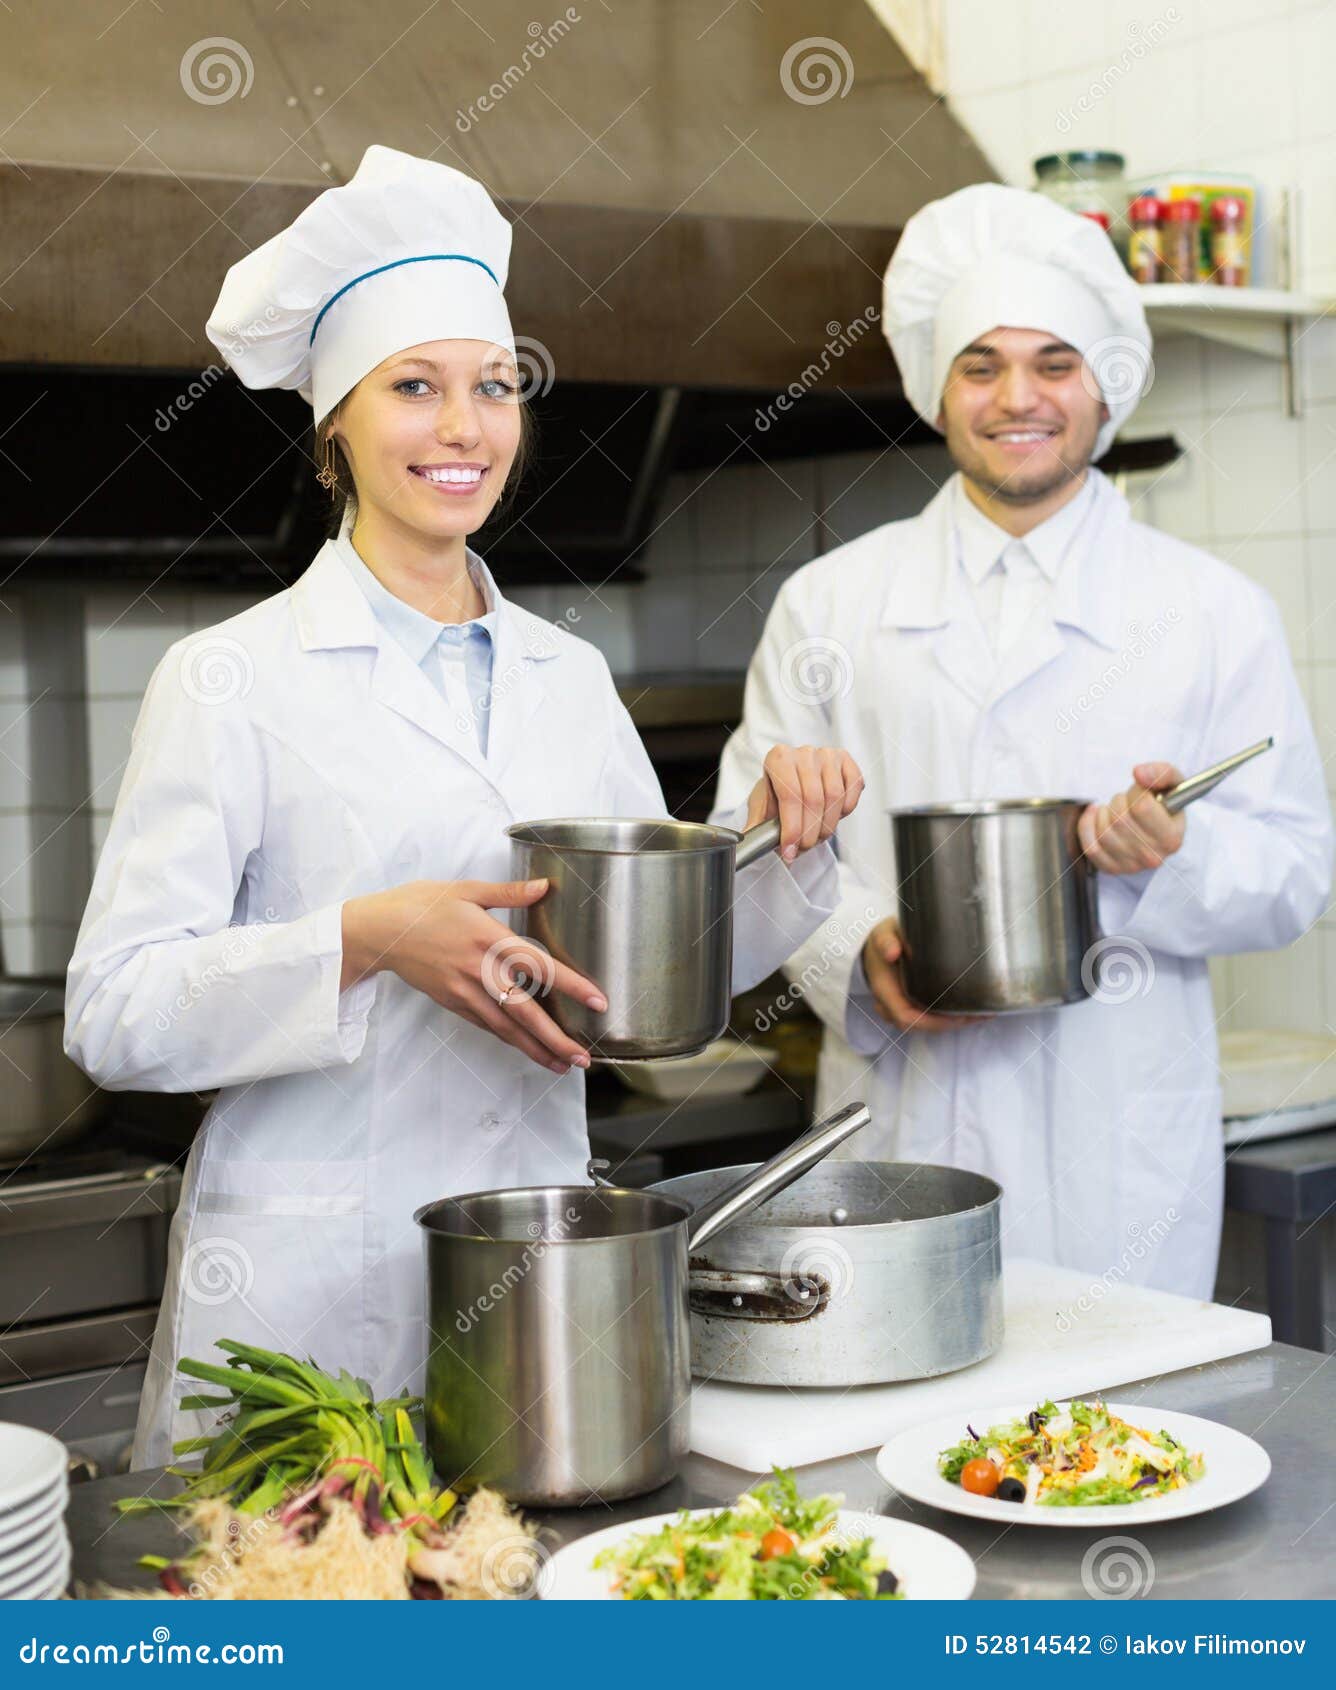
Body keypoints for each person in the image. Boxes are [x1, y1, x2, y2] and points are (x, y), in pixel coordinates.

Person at [65, 145, 864, 1469]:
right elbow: (113, 1010)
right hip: (306, 1292)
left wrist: (793, 836)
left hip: (535, 1282)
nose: (463, 428)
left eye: (493, 387)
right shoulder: (229, 676)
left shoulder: (567, 673)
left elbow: (652, 980)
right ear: (337, 421)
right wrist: (366, 939)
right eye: (415, 387)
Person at [712, 183, 1332, 1300]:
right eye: (981, 365)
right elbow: (739, 852)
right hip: (896, 1127)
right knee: (887, 1449)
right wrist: (855, 948)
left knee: (1108, 1449)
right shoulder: (830, 604)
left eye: (1053, 363)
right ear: (937, 393)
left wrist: (1168, 857)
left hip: (1116, 1151)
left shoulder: (1210, 608)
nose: (1018, 398)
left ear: (1104, 386)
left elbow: (1295, 871)